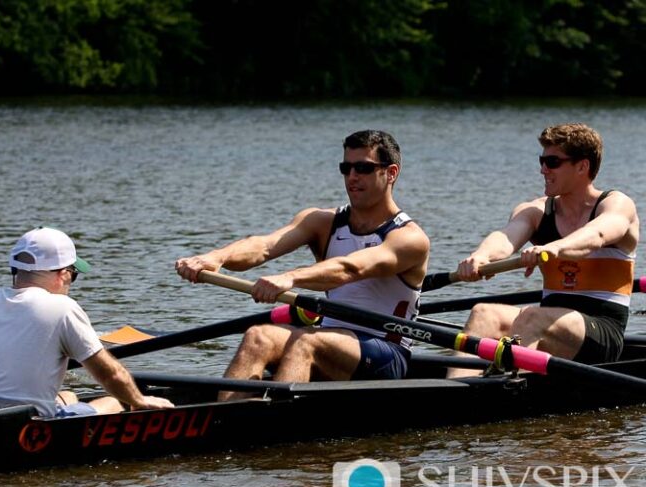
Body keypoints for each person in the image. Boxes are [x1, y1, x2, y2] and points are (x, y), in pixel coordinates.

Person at [175, 130, 430, 400]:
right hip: (330, 338)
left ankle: (274, 432)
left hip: (385, 354)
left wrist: (291, 278)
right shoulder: (322, 221)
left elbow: (350, 269)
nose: (352, 176)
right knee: (258, 336)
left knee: (305, 341)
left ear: (391, 173)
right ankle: (222, 424)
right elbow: (264, 246)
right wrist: (217, 258)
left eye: (363, 168)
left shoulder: (410, 239)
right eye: (346, 168)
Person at [450, 123, 639, 377]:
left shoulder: (616, 205)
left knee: (531, 318)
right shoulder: (537, 211)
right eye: (542, 160)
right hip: (549, 322)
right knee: (483, 313)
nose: (543, 170)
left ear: (582, 166)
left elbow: (597, 235)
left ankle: (500, 388)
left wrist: (553, 248)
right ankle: (461, 390)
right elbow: (505, 238)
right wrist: (481, 256)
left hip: (601, 332)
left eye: (552, 162)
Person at [0, 227, 174, 417]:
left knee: (69, 395)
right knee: (115, 401)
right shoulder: (62, 308)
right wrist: (139, 400)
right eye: (74, 274)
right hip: (27, 423)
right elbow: (112, 375)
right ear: (63, 273)